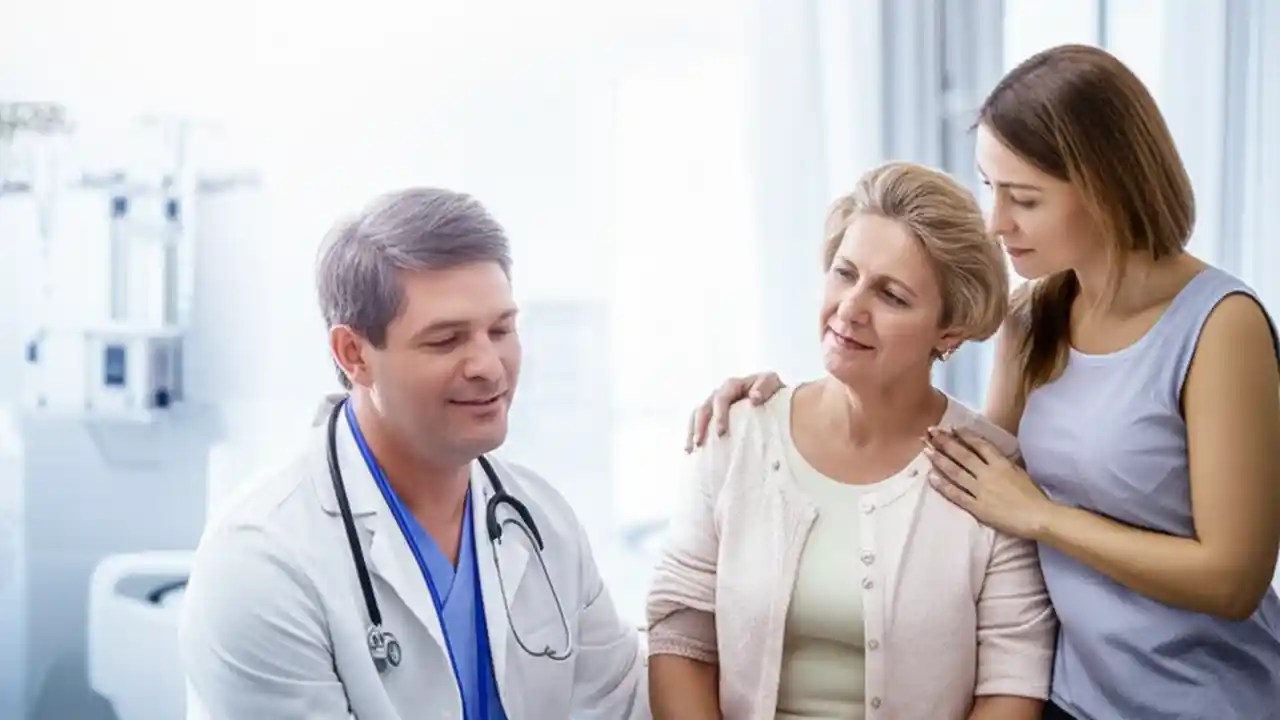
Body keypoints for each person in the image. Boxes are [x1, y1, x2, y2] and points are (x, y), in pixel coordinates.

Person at [688, 45, 1280, 720]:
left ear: (1107, 187)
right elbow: (965, 471)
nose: (997, 222)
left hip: (1205, 703)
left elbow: (1233, 579)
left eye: (1023, 198)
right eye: (991, 187)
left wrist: (1044, 518)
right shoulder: (1033, 318)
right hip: (1069, 701)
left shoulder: (1220, 327)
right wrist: (783, 402)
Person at [178, 188, 649, 719]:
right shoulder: (264, 564)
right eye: (446, 340)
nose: (489, 366)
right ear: (354, 354)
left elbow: (624, 705)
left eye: (501, 329)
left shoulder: (542, 523)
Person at [647, 161, 1057, 720]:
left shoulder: (991, 473)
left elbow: (1013, 682)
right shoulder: (737, 432)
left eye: (891, 296)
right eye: (845, 273)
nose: (850, 308)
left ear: (950, 331)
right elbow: (680, 635)